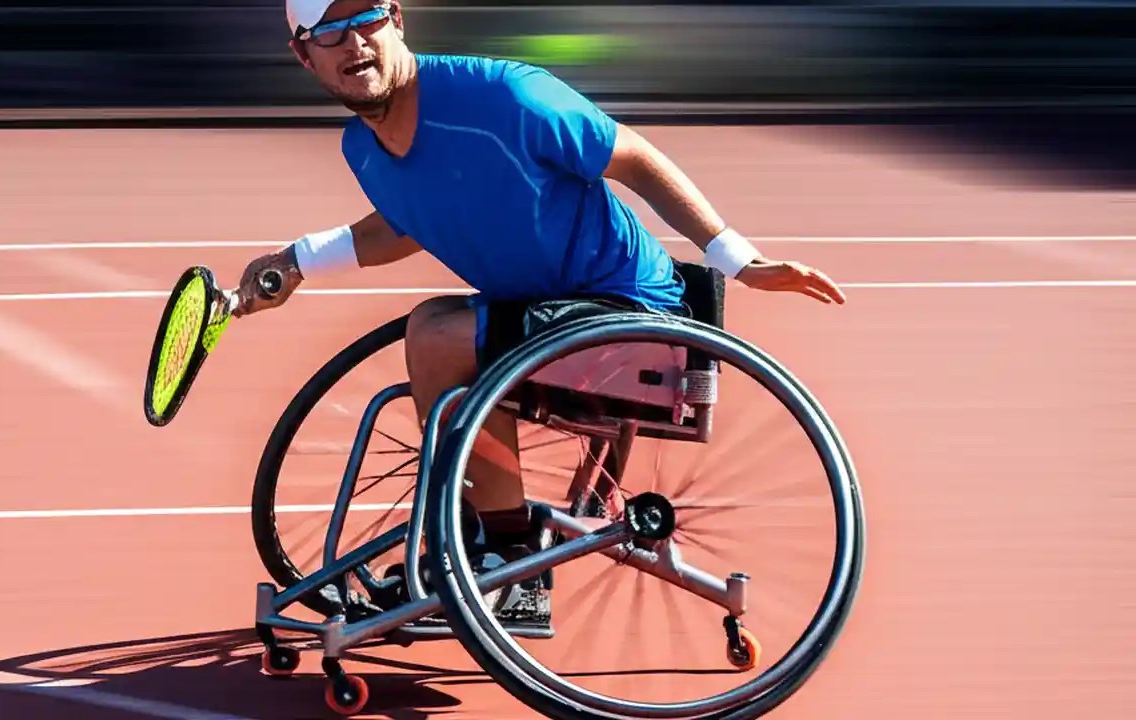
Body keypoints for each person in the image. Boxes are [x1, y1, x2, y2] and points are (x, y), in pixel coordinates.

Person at [234, 0, 846, 628]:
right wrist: (298, 261)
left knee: (438, 333)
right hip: (539, 321)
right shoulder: (362, 148)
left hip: (629, 311)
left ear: (396, 18)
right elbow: (404, 225)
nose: (353, 42)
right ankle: (481, 546)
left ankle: (511, 560)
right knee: (441, 337)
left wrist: (742, 261)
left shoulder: (507, 97)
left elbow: (632, 156)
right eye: (329, 32)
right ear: (305, 55)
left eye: (365, 19)